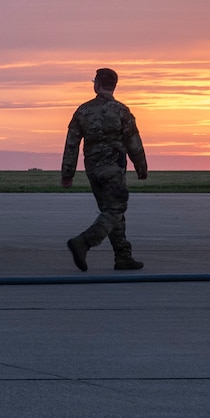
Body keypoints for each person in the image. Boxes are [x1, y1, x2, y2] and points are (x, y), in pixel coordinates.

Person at [61, 67, 149, 271]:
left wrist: (67, 173)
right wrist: (141, 167)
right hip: (113, 169)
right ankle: (84, 242)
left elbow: (71, 144)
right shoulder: (121, 111)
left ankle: (123, 256)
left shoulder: (83, 111)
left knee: (110, 211)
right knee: (115, 209)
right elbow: (133, 142)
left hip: (93, 170)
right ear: (113, 86)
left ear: (97, 85)